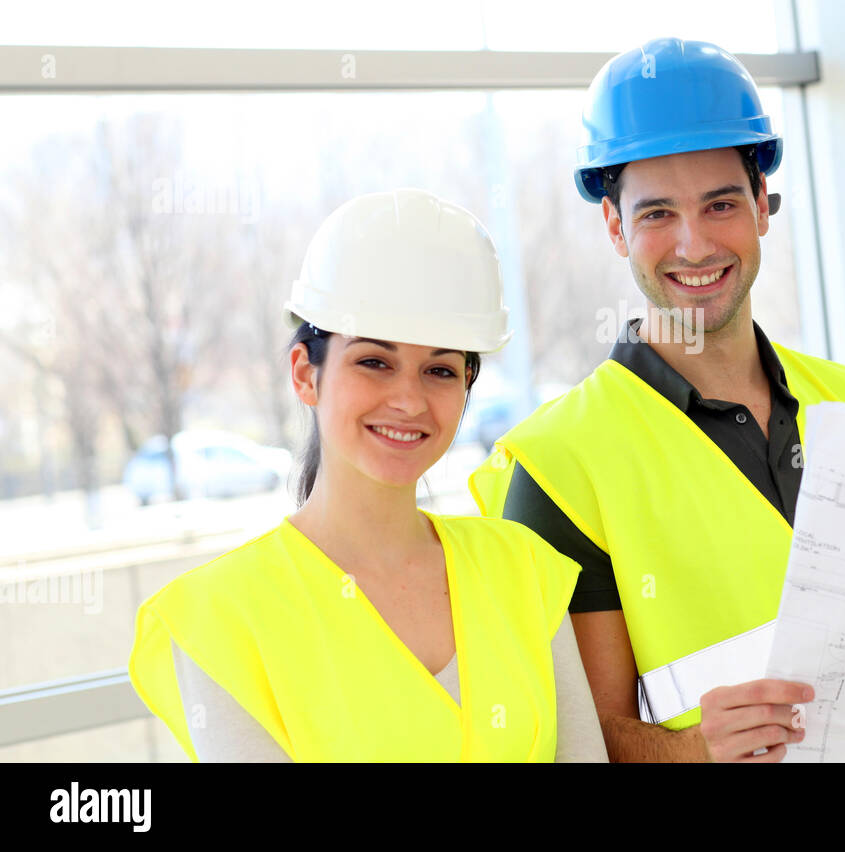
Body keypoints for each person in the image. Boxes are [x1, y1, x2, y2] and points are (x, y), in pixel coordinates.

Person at [469, 38, 845, 762]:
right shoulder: (560, 467)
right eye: (658, 214)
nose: (694, 245)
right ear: (615, 227)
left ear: (764, 205)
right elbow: (581, 739)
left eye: (721, 204)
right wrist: (697, 748)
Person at [129, 189, 607, 762]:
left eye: (439, 370)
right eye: (374, 362)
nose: (408, 400)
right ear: (306, 374)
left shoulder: (522, 570)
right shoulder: (222, 619)